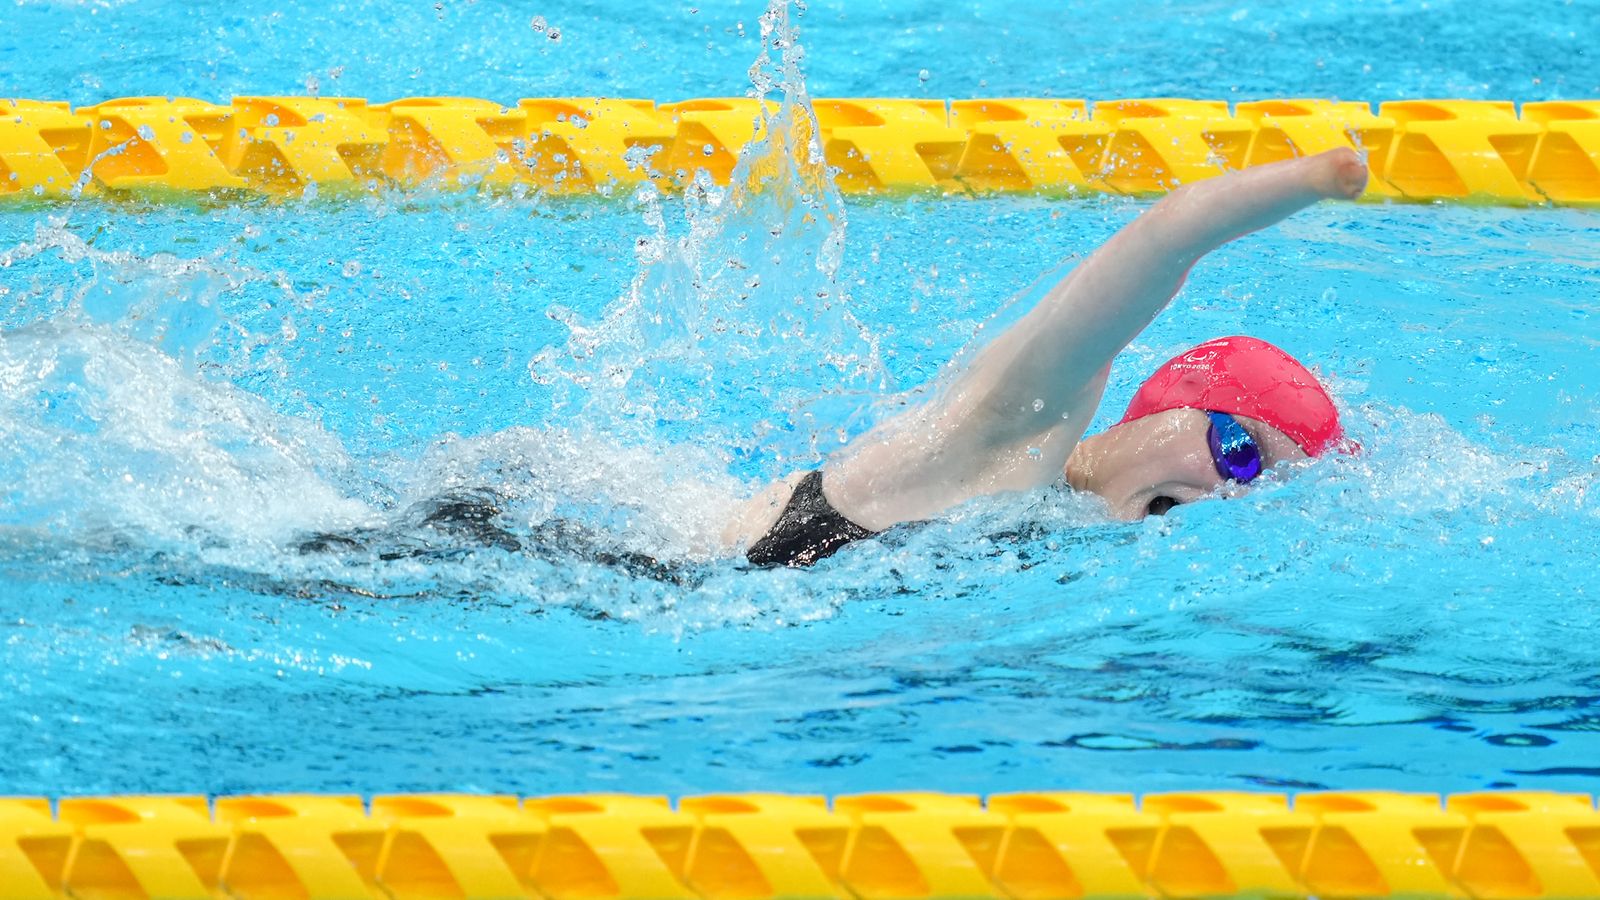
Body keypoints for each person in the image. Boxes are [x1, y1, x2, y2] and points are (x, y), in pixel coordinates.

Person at [726, 147, 1370, 567]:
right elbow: (1164, 240)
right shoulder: (1009, 431)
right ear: (1165, 408)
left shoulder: (1063, 532)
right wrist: (1312, 179)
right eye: (1241, 452)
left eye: (1258, 490)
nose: (1227, 495)